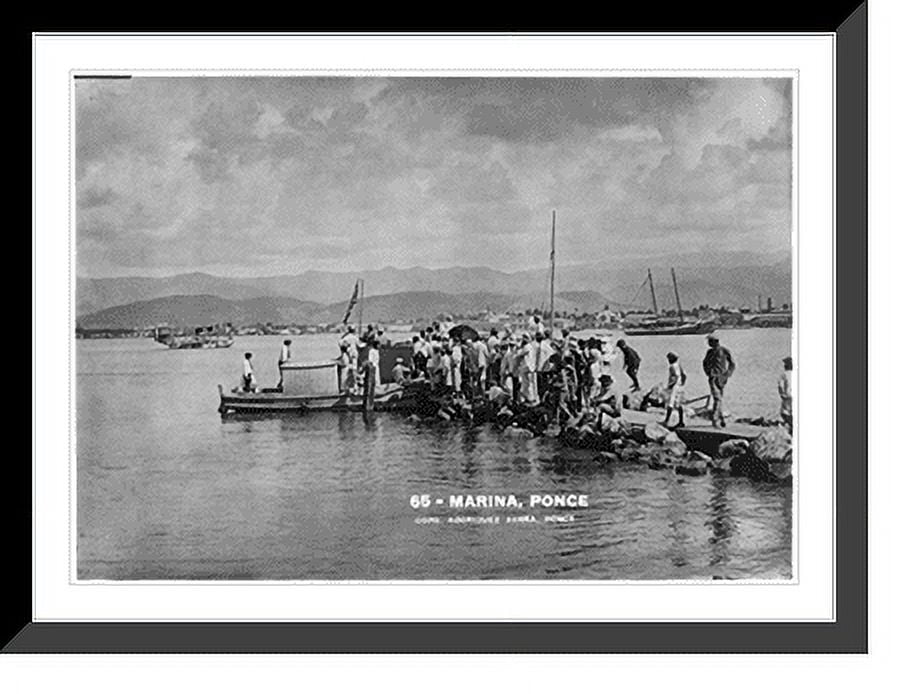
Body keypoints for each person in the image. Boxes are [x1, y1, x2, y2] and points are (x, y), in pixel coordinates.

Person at [702, 334, 735, 428]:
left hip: (722, 379)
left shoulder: (724, 351)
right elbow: (704, 363)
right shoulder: (709, 352)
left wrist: (728, 374)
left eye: (710, 341)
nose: (708, 343)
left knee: (719, 398)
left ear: (715, 341)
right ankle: (715, 419)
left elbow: (732, 363)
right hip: (713, 378)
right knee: (717, 398)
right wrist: (708, 372)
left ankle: (721, 419)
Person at [663, 352, 687, 428]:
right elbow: (684, 375)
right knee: (679, 404)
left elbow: (675, 376)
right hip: (679, 386)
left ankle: (666, 421)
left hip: (674, 387)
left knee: (670, 403)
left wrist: (670, 385)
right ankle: (681, 421)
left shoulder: (672, 367)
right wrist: (682, 383)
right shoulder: (679, 366)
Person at [778, 356, 793, 431]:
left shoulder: (784, 374)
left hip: (787, 395)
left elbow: (780, 385)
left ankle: (786, 429)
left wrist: (781, 394)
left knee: (784, 413)